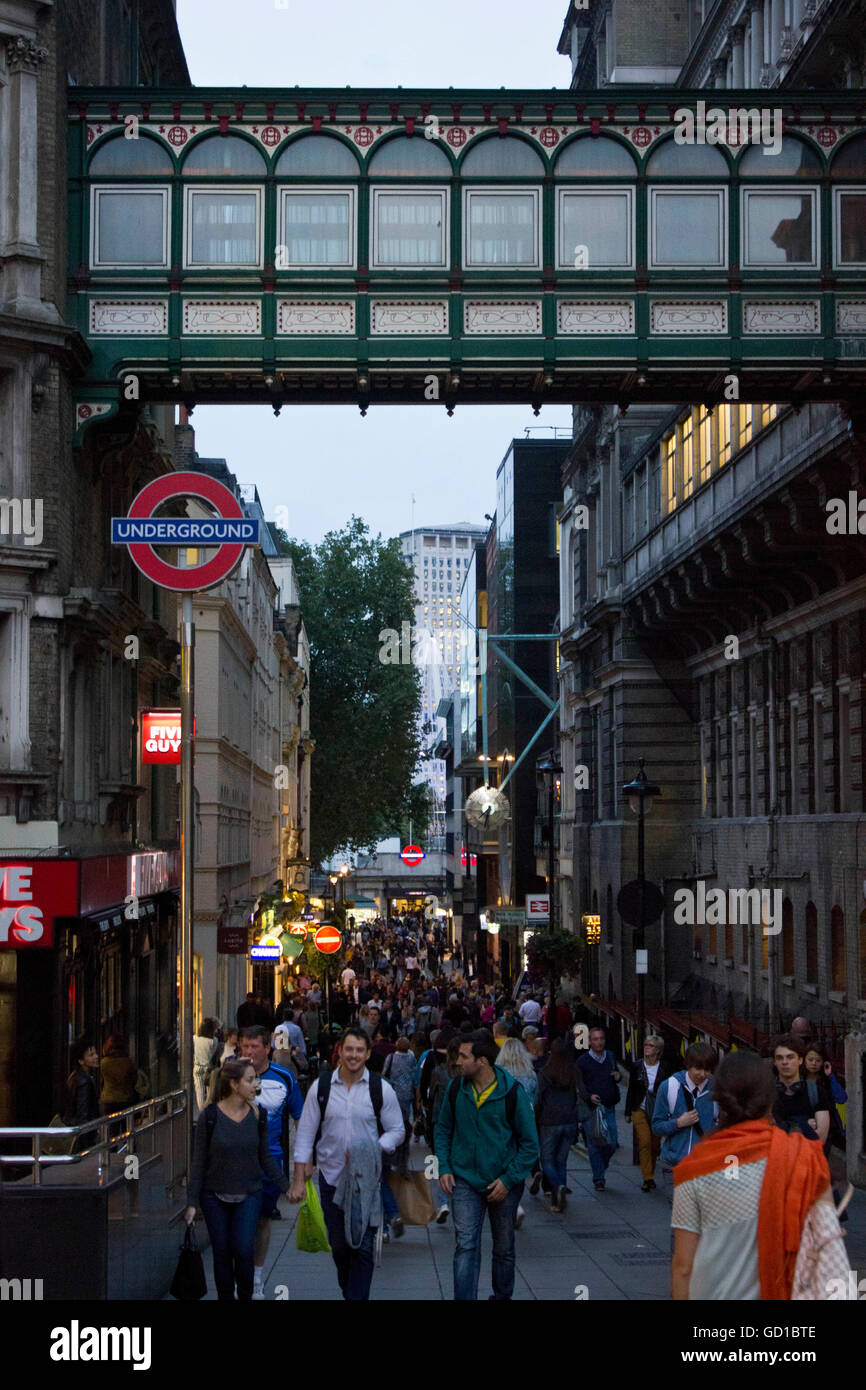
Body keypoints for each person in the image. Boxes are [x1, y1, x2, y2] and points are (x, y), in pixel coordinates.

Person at [670, 1050, 846, 1300]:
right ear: (769, 1098)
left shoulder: (695, 1169)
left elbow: (683, 1267)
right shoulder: (803, 1158)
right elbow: (827, 1244)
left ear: (719, 1100)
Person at [290, 1027, 405, 1300]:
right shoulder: (322, 1087)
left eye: (359, 1050)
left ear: (367, 1054)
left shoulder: (380, 1088)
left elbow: (397, 1130)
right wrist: (298, 1178)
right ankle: (349, 1291)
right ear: (340, 1052)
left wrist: (373, 1149)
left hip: (366, 1183)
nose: (353, 1055)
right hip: (330, 1179)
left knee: (362, 1248)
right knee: (340, 1248)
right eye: (349, 1049)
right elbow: (305, 1133)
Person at [435, 1032, 539, 1301]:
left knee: (503, 1247)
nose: (457, 1061)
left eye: (463, 1056)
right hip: (465, 1180)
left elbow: (530, 1144)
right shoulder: (456, 1089)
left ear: (482, 1061)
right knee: (466, 1245)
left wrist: (509, 1179)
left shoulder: (512, 1092)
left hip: (503, 1182)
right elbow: (443, 1128)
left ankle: (502, 1296)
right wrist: (444, 1166)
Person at [185, 1058, 290, 1301]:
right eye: (250, 1080)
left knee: (243, 1249)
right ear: (234, 1085)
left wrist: (287, 1187)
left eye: (256, 1079)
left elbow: (265, 1158)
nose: (256, 1085)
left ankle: (245, 1294)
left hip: (249, 1193)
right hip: (214, 1195)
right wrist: (192, 1202)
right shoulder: (209, 1117)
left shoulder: (258, 1115)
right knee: (222, 1252)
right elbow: (198, 1162)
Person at [239, 1025, 304, 1298]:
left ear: (268, 1048)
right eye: (245, 1046)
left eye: (255, 1046)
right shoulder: (232, 1076)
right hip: (236, 1162)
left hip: (270, 1162)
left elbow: (301, 1118)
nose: (249, 1052)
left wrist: (303, 1163)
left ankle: (256, 1275)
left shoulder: (284, 1077)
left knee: (262, 1220)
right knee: (239, 1223)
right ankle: (239, 1273)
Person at [651, 1041, 718, 1200]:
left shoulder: (718, 1089)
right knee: (680, 1217)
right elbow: (656, 1126)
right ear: (688, 1065)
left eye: (707, 1070)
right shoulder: (669, 1087)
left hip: (704, 1167)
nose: (702, 1074)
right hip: (674, 1165)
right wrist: (678, 1123)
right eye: (698, 1068)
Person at [535, 1038, 581, 1213]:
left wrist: (536, 1117)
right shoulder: (573, 1071)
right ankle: (556, 1199)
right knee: (561, 1160)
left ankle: (558, 1185)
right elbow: (580, 1094)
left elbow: (538, 1098)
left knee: (546, 1160)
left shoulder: (545, 1072)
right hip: (569, 1120)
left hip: (549, 1120)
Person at [576, 1026, 622, 1190]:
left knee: (613, 1142)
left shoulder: (610, 1056)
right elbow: (579, 1084)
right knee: (594, 1144)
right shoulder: (583, 1061)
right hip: (592, 1109)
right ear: (589, 1042)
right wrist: (589, 1096)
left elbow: (617, 1074)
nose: (599, 1042)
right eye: (595, 1039)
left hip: (608, 1107)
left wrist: (618, 1076)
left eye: (601, 1038)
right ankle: (599, 1179)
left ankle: (601, 1168)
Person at [625, 1034, 671, 1192]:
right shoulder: (637, 1066)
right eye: (645, 1045)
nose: (646, 1048)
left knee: (655, 1145)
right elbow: (631, 1089)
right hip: (640, 1107)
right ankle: (648, 1178)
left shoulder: (665, 1068)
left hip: (658, 1110)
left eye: (650, 1045)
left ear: (658, 1050)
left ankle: (650, 1170)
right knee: (644, 1142)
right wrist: (628, 1111)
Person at [772, 1034, 829, 1144]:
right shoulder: (766, 1093)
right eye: (779, 1058)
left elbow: (821, 1138)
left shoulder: (816, 1091)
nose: (784, 1062)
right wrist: (803, 1125)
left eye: (790, 1057)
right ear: (775, 1062)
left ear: (800, 1060)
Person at [63, 1038, 100, 1145]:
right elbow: (83, 1112)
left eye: (95, 1053)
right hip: (83, 1134)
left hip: (74, 1127)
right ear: (81, 1061)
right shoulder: (84, 1081)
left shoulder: (74, 1077)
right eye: (91, 1055)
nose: (96, 1056)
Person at [99, 1035, 137, 1116]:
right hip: (125, 1099)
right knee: (126, 1125)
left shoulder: (104, 1062)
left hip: (108, 1099)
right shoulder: (128, 1062)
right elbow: (133, 1079)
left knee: (110, 1125)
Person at [193, 1018, 221, 1114]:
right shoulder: (214, 1041)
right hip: (208, 1068)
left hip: (197, 1067)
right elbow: (213, 1054)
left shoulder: (195, 1038)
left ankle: (201, 1111)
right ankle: (209, 1111)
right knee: (209, 1092)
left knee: (199, 1090)